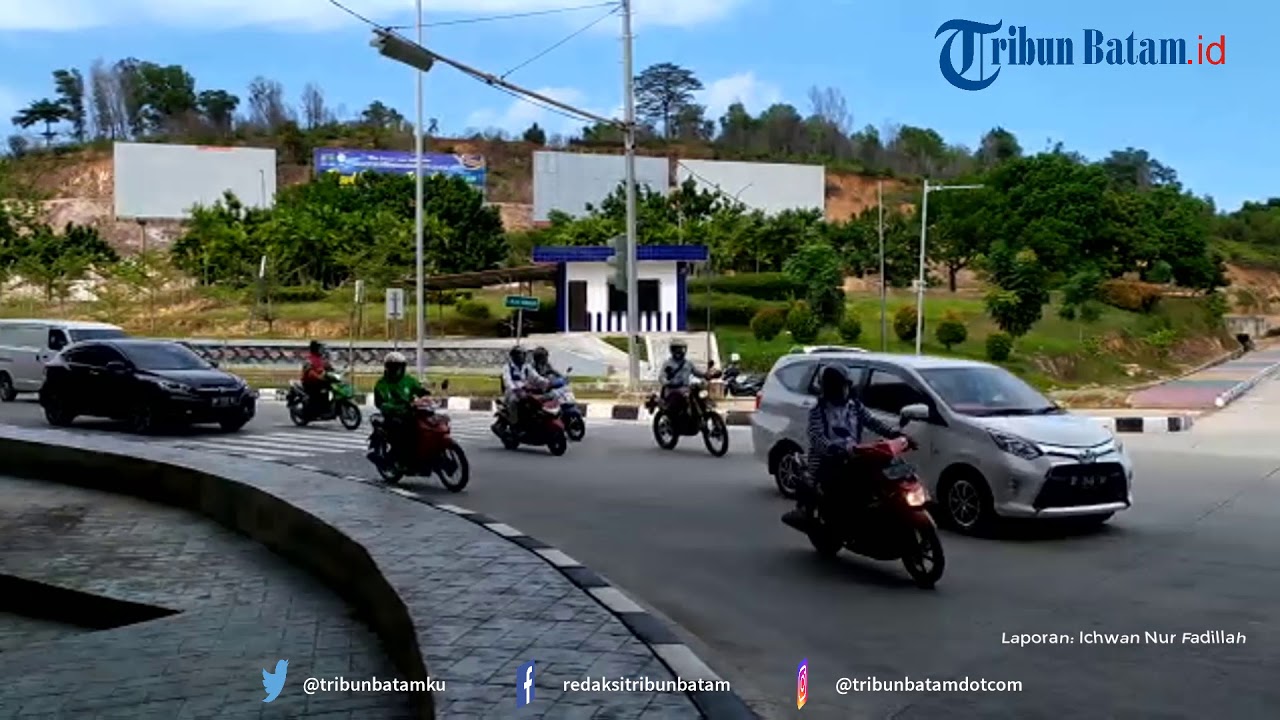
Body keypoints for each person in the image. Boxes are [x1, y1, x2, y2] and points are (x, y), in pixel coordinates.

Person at [782, 365, 910, 526]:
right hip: (826, 459)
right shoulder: (819, 410)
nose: (845, 389)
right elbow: (816, 436)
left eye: (846, 385)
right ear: (830, 387)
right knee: (824, 484)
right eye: (840, 385)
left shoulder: (854, 406)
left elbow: (873, 422)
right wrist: (831, 448)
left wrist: (895, 434)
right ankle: (809, 511)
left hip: (853, 456)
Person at [372, 351, 429, 463]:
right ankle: (399, 458)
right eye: (395, 367)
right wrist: (394, 407)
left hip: (410, 412)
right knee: (404, 432)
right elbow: (381, 403)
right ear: (388, 368)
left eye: (400, 366)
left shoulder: (408, 380)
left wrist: (426, 393)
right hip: (393, 416)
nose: (398, 369)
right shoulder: (382, 384)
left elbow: (419, 390)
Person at [659, 339, 710, 415]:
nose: (679, 351)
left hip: (686, 389)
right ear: (672, 350)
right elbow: (662, 376)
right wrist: (668, 383)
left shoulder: (688, 363)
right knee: (677, 402)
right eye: (677, 349)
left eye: (681, 349)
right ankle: (676, 420)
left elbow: (696, 372)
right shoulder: (668, 364)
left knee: (699, 397)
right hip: (673, 390)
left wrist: (706, 375)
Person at [502, 346, 545, 429]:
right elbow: (507, 380)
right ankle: (514, 424)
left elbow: (536, 377)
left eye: (523, 355)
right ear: (514, 356)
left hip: (526, 391)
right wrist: (515, 389)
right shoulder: (507, 367)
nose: (521, 357)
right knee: (514, 402)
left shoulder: (527, 367)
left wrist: (546, 382)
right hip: (512, 392)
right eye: (519, 355)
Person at [301, 340, 333, 413]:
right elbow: (310, 372)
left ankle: (327, 407)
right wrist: (319, 377)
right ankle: (311, 410)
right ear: (315, 349)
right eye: (320, 349)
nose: (321, 350)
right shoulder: (309, 359)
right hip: (310, 382)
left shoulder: (320, 359)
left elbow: (328, 367)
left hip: (319, 381)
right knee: (318, 393)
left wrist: (332, 369)